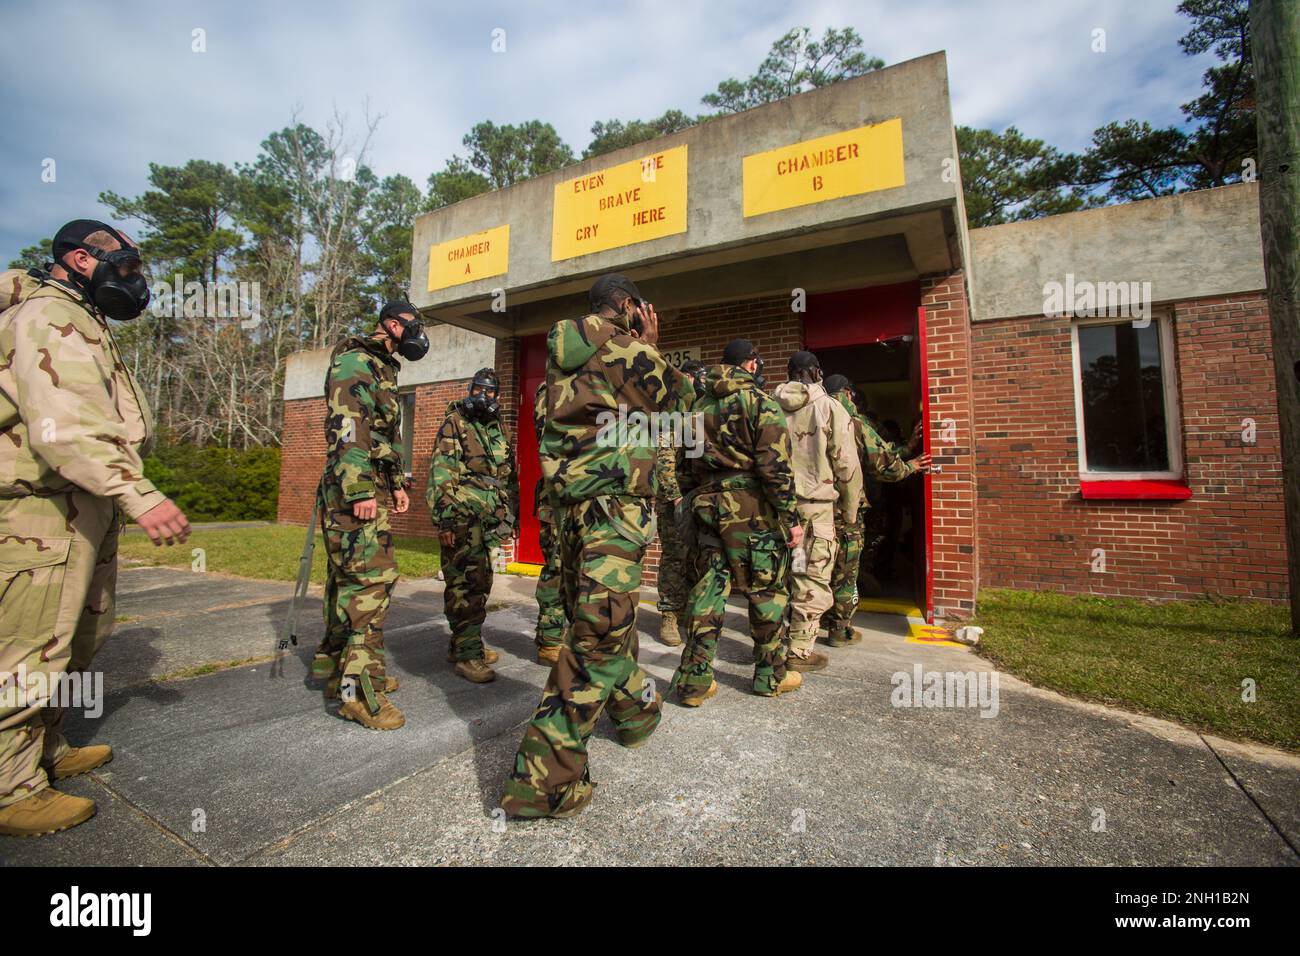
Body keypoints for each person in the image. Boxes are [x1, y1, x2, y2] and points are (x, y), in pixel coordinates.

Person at [0, 220, 192, 837]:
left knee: (77, 636)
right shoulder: (46, 316)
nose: (135, 280)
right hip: (42, 512)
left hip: (84, 504)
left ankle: (43, 750)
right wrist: (137, 493)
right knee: (30, 647)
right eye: (126, 265)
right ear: (81, 260)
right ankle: (10, 789)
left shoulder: (83, 318)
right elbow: (66, 421)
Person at [500, 274, 692, 819]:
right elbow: (684, 410)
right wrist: (652, 346)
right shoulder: (630, 349)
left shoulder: (558, 358)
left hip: (567, 513)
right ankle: (542, 786)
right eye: (639, 310)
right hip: (614, 512)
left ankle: (635, 716)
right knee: (600, 637)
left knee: (605, 618)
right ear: (629, 307)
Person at [669, 339, 805, 707]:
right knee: (766, 591)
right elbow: (774, 468)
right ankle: (770, 675)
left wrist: (695, 499)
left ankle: (695, 682)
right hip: (752, 509)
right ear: (749, 365)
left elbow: (684, 466)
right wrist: (791, 517)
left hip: (707, 506)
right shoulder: (761, 403)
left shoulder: (697, 407)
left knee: (708, 589)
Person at [315, 301, 425, 730]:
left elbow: (384, 435)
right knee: (370, 584)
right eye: (414, 325)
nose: (419, 333)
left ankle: (335, 671)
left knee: (348, 580)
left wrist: (395, 483)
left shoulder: (382, 367)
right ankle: (360, 693)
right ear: (392, 325)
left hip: (370, 484)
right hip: (353, 488)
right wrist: (360, 489)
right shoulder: (355, 362)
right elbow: (348, 426)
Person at [820, 376, 930, 644]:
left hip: (814, 511)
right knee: (846, 571)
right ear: (848, 393)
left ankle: (814, 618)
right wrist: (910, 466)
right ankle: (839, 629)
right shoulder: (853, 423)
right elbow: (882, 463)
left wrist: (905, 449)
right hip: (847, 510)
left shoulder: (812, 420)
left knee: (818, 568)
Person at [773, 351, 861, 672]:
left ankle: (776, 639)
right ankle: (799, 651)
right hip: (814, 511)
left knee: (784, 574)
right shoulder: (830, 408)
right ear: (816, 372)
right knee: (810, 577)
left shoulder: (769, 406)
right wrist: (850, 513)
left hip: (778, 510)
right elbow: (847, 466)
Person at [428, 367, 516, 683]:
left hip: (488, 520)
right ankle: (467, 656)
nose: (484, 396)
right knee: (463, 584)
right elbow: (442, 473)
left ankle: (464, 643)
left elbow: (507, 473)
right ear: (470, 388)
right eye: (479, 389)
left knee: (481, 582)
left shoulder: (497, 426)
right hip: (462, 518)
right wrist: (446, 521)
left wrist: (510, 515)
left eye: (491, 391)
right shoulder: (455, 423)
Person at [652, 358, 706, 647]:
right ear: (685, 377)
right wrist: (674, 496)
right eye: (698, 377)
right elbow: (664, 460)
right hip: (675, 499)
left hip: (696, 499)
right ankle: (669, 615)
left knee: (697, 557)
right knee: (674, 557)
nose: (702, 383)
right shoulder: (672, 411)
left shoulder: (699, 412)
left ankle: (688, 610)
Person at [531, 381, 567, 665]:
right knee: (556, 568)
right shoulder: (552, 390)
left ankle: (562, 634)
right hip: (558, 498)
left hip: (580, 497)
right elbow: (553, 442)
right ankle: (550, 640)